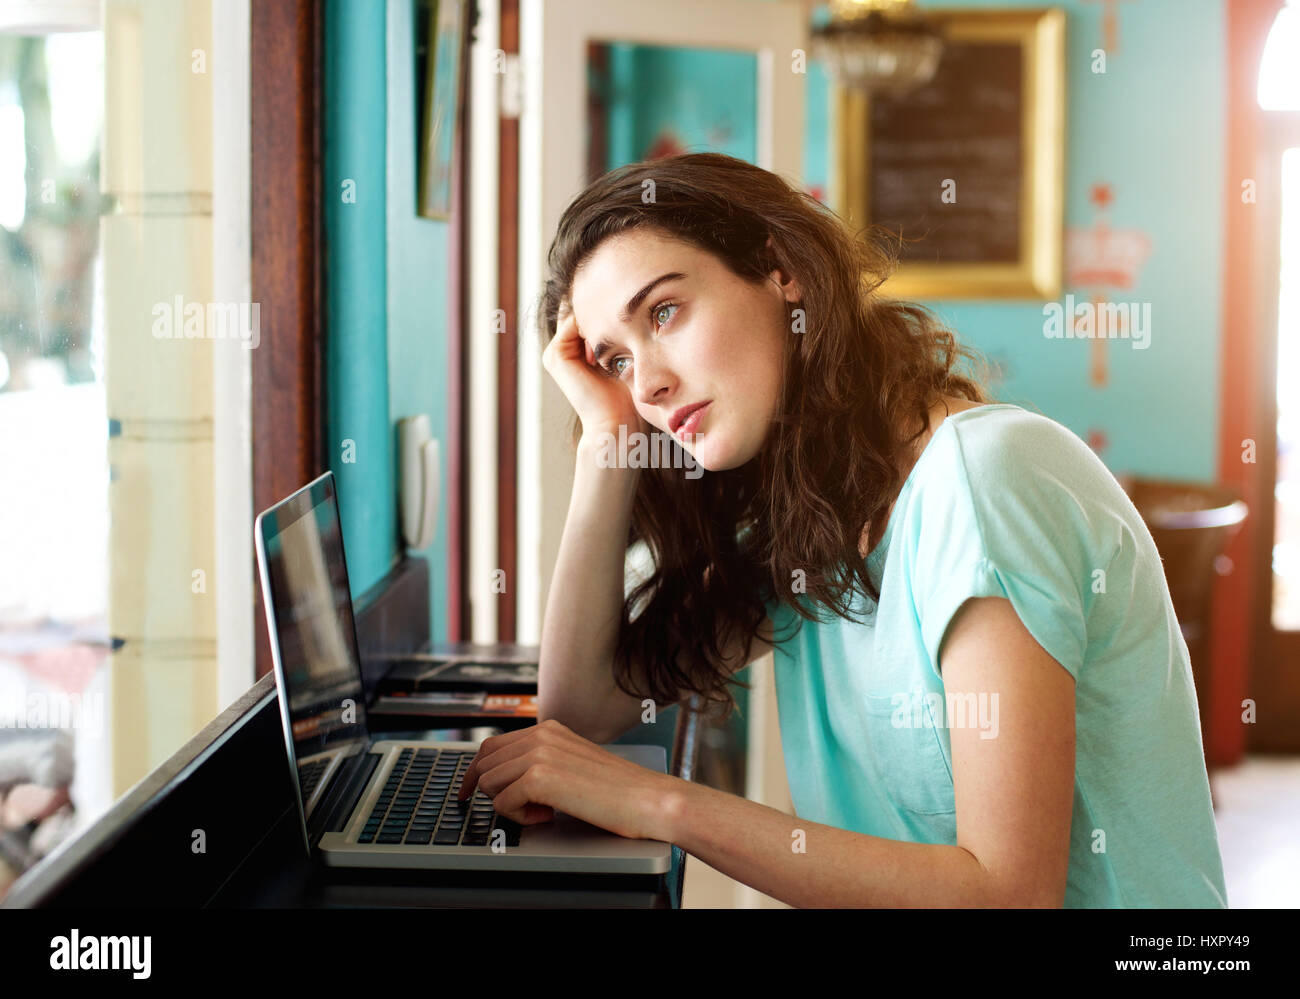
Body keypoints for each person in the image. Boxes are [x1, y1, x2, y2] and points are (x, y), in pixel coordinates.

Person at [457, 152, 1228, 908]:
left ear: (779, 270)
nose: (649, 383)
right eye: (616, 360)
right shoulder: (812, 521)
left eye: (664, 312)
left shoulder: (988, 478)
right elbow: (580, 712)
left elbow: (1008, 894)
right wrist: (605, 438)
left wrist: (661, 803)